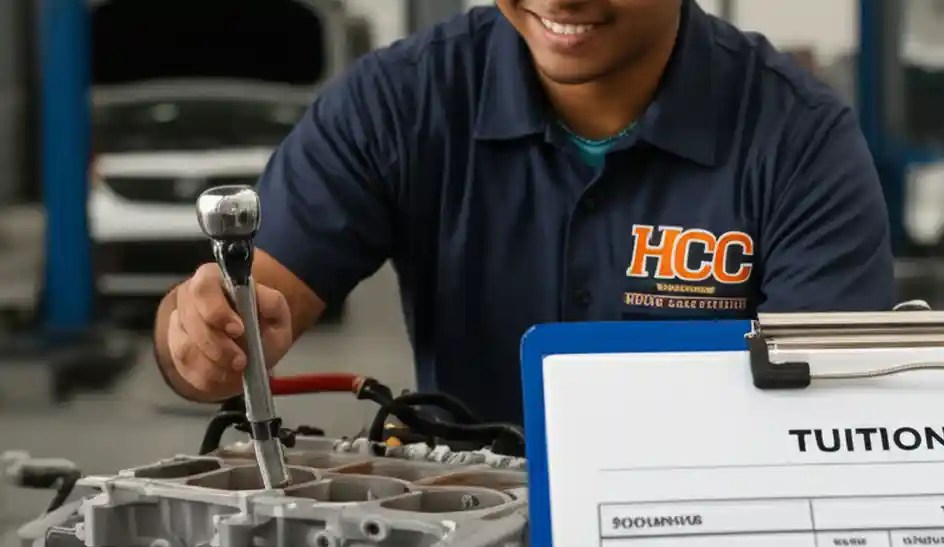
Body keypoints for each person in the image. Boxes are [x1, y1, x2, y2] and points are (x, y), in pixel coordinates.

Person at [153, 0, 895, 427]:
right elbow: (251, 304)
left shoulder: (798, 141)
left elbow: (825, 420)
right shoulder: (402, 102)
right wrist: (198, 338)